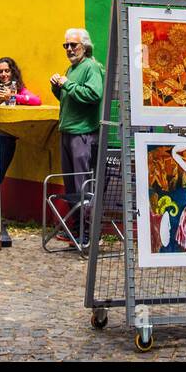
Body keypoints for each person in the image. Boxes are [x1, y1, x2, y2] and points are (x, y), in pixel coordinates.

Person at [51, 28, 104, 234]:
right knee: (71, 184)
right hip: (68, 132)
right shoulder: (71, 69)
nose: (69, 49)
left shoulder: (91, 67)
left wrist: (68, 84)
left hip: (83, 134)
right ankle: (75, 227)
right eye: (66, 45)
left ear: (85, 46)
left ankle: (89, 230)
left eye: (74, 45)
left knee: (82, 184)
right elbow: (69, 99)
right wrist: (58, 87)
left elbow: (93, 94)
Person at [0, 57, 40, 183]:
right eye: (0, 71)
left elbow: (36, 101)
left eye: (7, 71)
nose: (4, 74)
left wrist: (13, 96)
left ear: (13, 72)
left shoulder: (19, 89)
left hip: (5, 138)